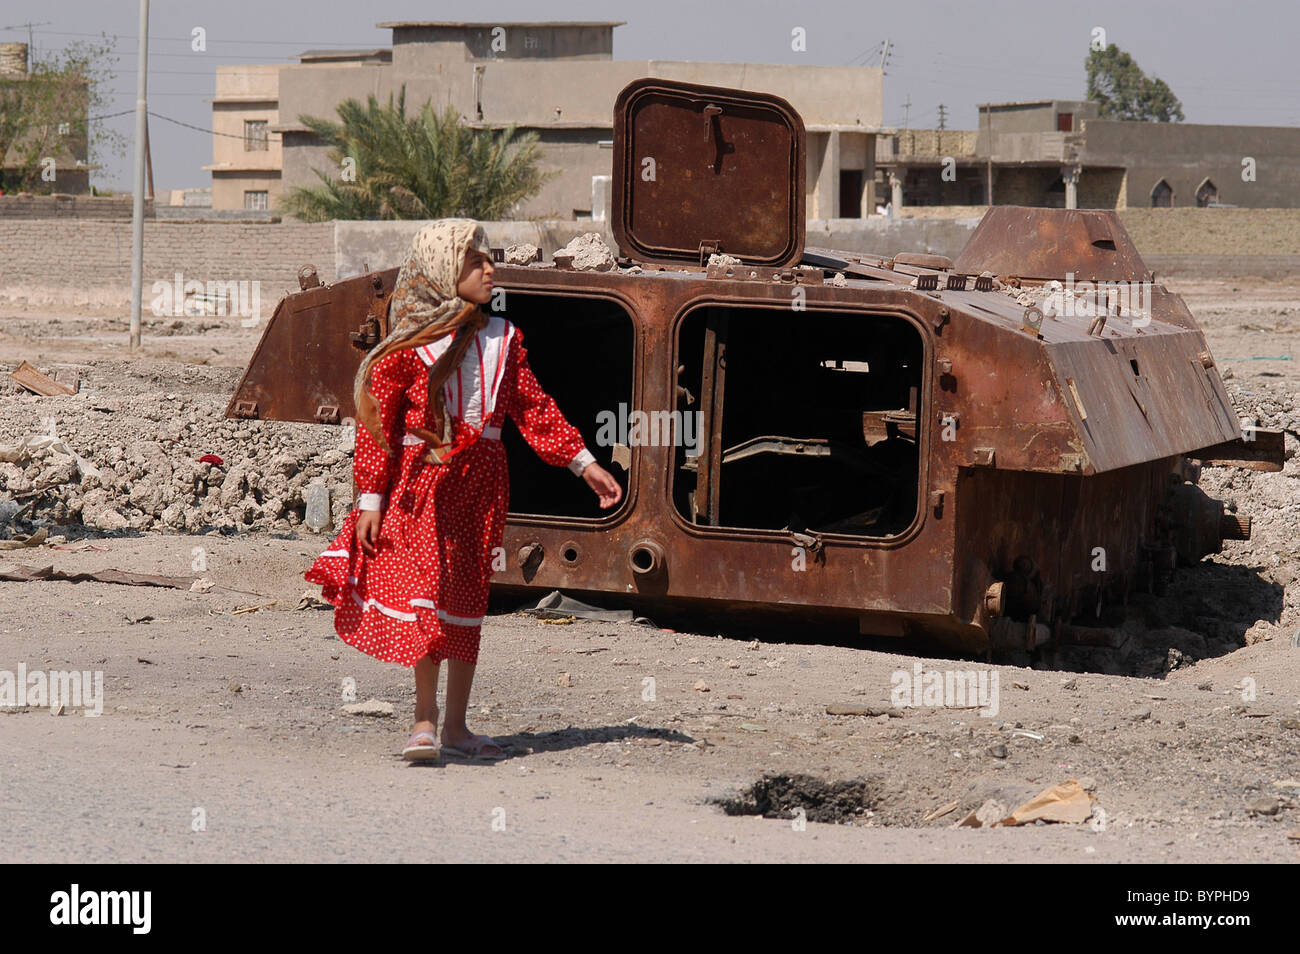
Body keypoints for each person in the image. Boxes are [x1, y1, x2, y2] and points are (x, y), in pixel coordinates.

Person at [305, 219, 622, 761]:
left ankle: (457, 724)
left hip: (481, 486)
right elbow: (376, 425)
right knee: (425, 590)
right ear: (442, 272)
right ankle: (423, 722)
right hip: (422, 482)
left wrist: (583, 463)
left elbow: (533, 407)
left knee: (468, 596)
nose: (489, 268)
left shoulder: (504, 340)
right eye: (475, 262)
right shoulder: (408, 348)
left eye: (488, 260)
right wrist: (370, 499)